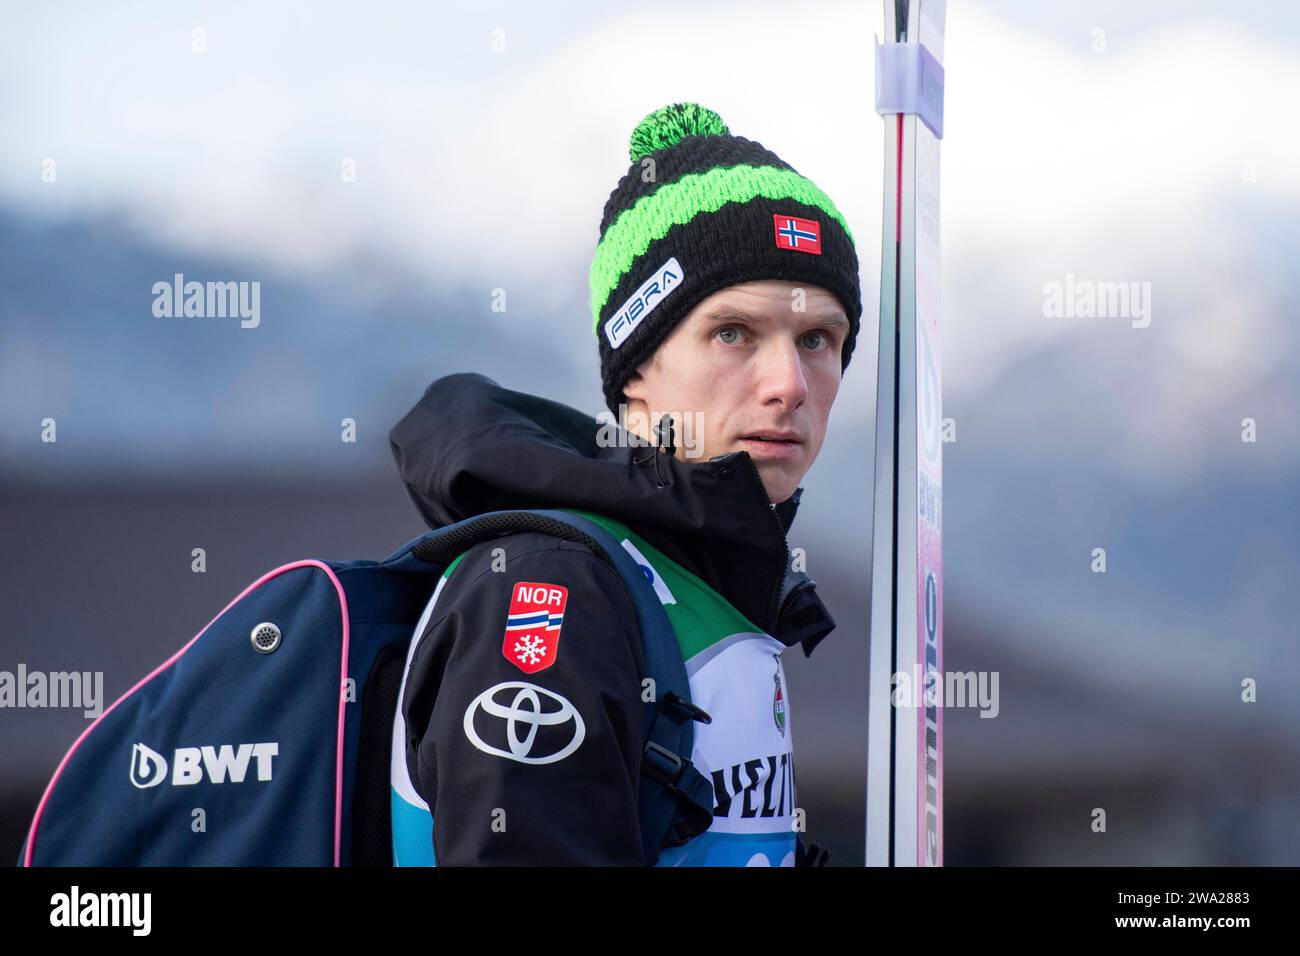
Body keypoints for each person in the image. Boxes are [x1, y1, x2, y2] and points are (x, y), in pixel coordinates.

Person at [388, 102, 862, 866]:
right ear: (636, 368)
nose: (790, 384)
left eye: (818, 339)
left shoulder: (716, 587)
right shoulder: (552, 585)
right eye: (733, 333)